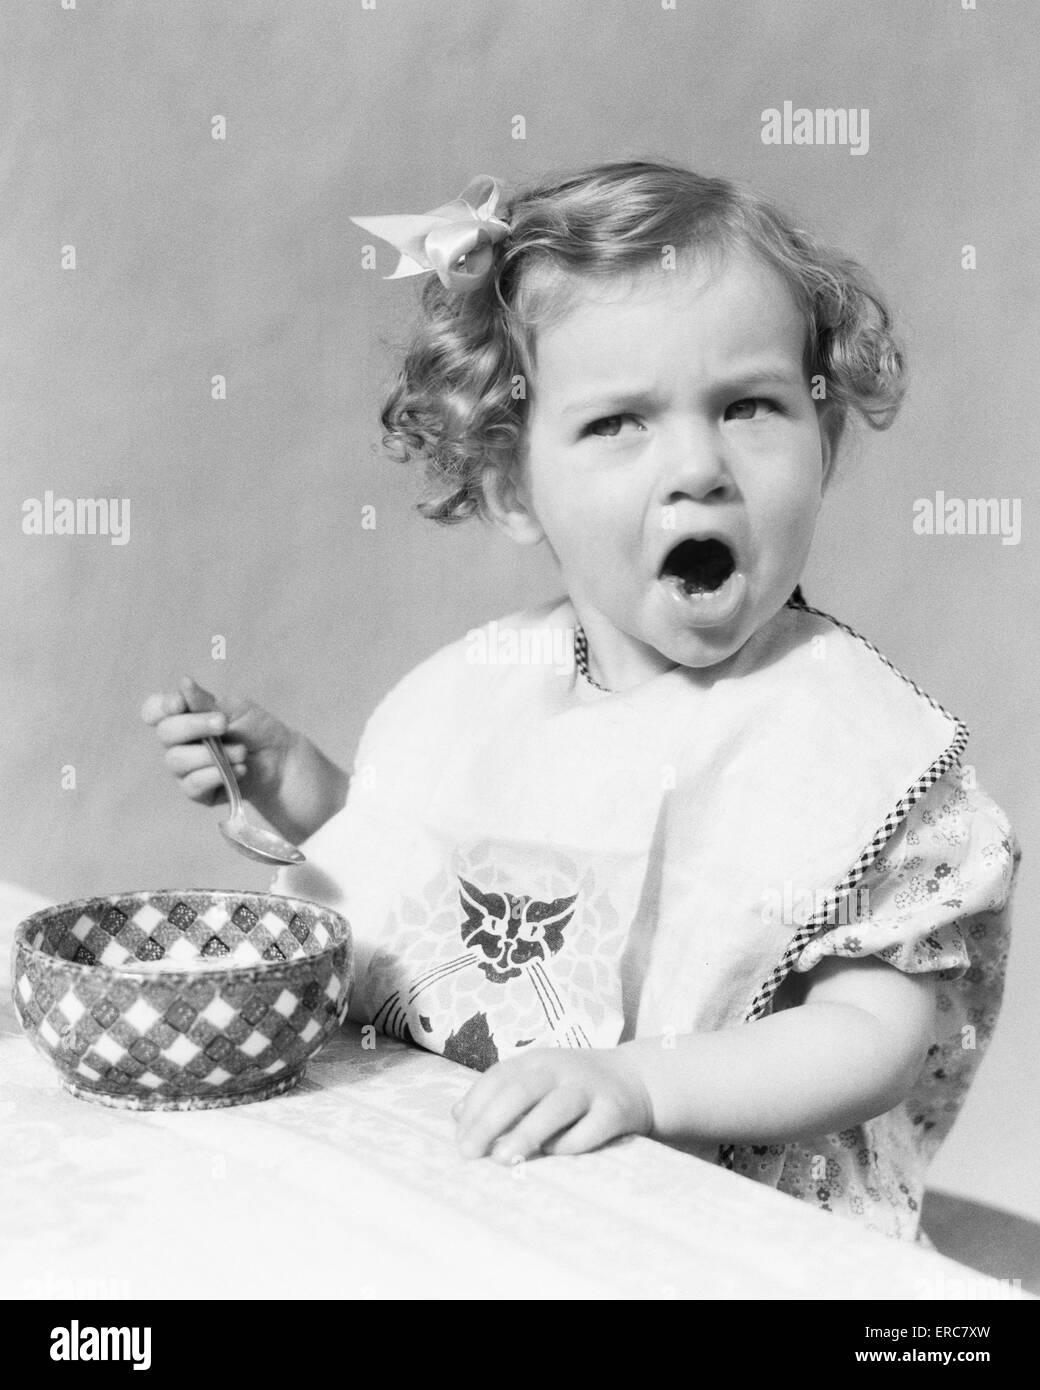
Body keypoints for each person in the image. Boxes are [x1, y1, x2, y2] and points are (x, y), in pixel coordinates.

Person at [142, 161, 1019, 1240]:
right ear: (514, 484)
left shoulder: (841, 744)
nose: (697, 466)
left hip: (732, 1241)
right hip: (511, 1207)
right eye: (618, 424)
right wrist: (314, 801)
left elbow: (876, 1033)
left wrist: (643, 1084)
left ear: (821, 434)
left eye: (749, 405)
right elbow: (443, 896)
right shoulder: (493, 689)